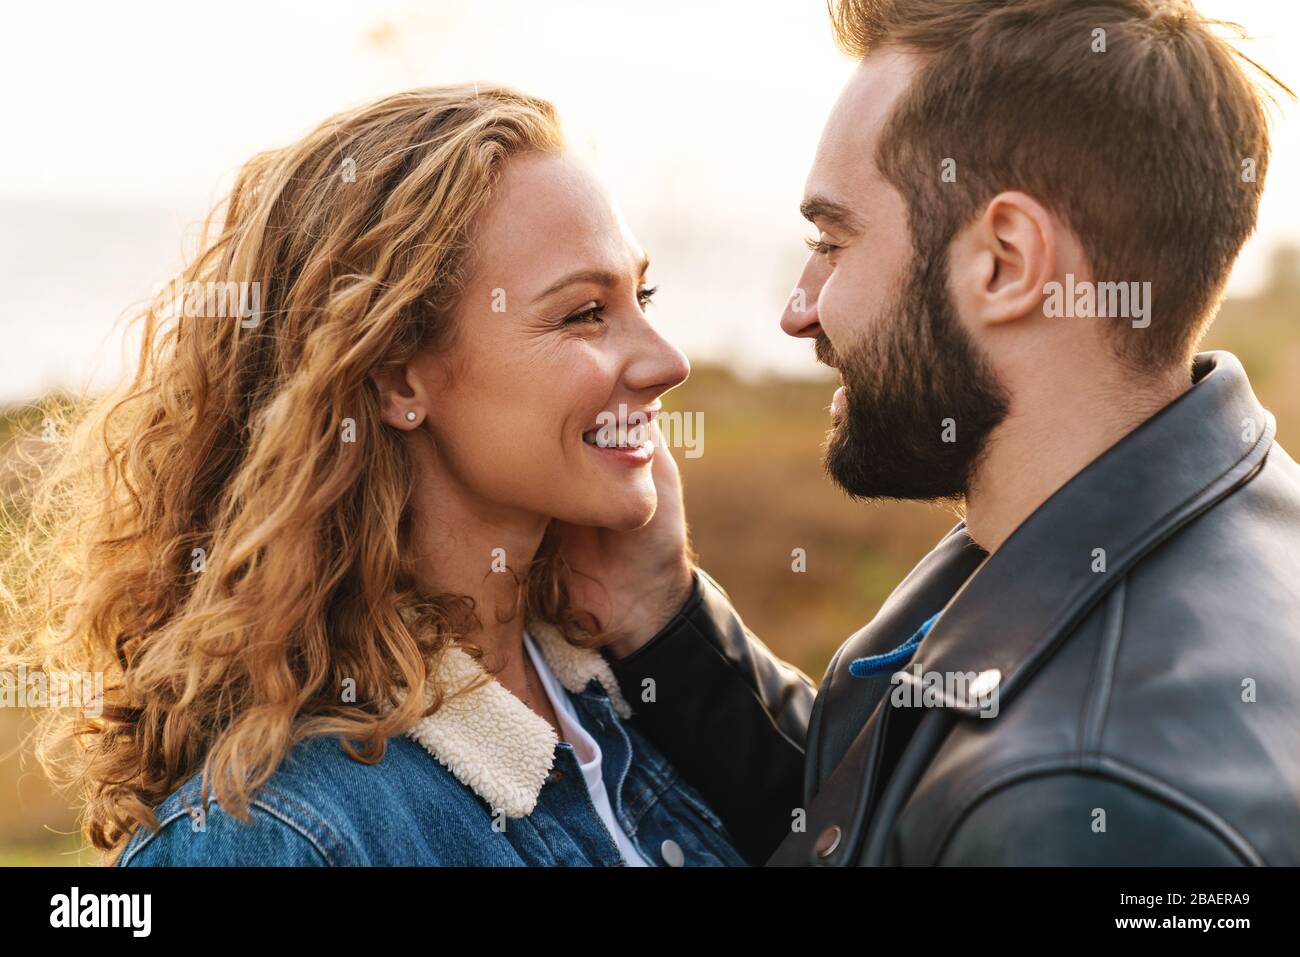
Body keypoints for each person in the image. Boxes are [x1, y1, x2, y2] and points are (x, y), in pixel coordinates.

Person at [589, 0, 1300, 865]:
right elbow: (887, 820)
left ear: (1004, 262)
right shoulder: (1196, 504)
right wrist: (659, 611)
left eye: (832, 240)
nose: (798, 310)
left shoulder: (1080, 801)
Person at [2, 84, 745, 866]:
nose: (669, 361)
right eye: (583, 313)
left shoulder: (630, 693)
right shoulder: (271, 839)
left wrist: (672, 612)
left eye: (643, 294)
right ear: (399, 380)